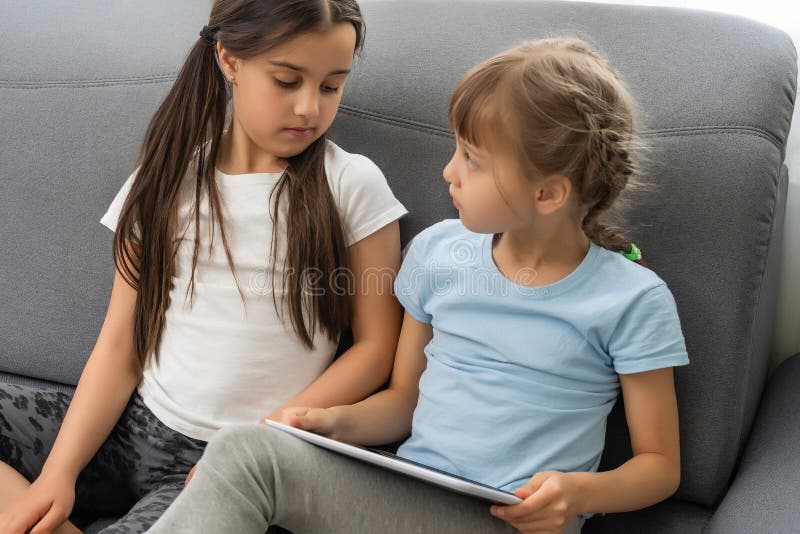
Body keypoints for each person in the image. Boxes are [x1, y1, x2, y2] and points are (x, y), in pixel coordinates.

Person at [146, 37, 690, 534]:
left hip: (511, 521)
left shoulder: (632, 301)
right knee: (247, 449)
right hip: (408, 494)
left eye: (472, 160)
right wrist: (332, 422)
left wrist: (577, 494)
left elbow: (659, 467)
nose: (449, 172)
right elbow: (404, 401)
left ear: (548, 193)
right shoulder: (438, 253)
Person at [0, 1, 408, 533]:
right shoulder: (168, 178)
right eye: (287, 81)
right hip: (132, 427)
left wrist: (254, 445)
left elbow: (376, 349)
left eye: (331, 87)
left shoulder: (352, 185)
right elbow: (121, 342)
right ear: (230, 59)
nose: (310, 107)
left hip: (229, 462)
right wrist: (58, 474)